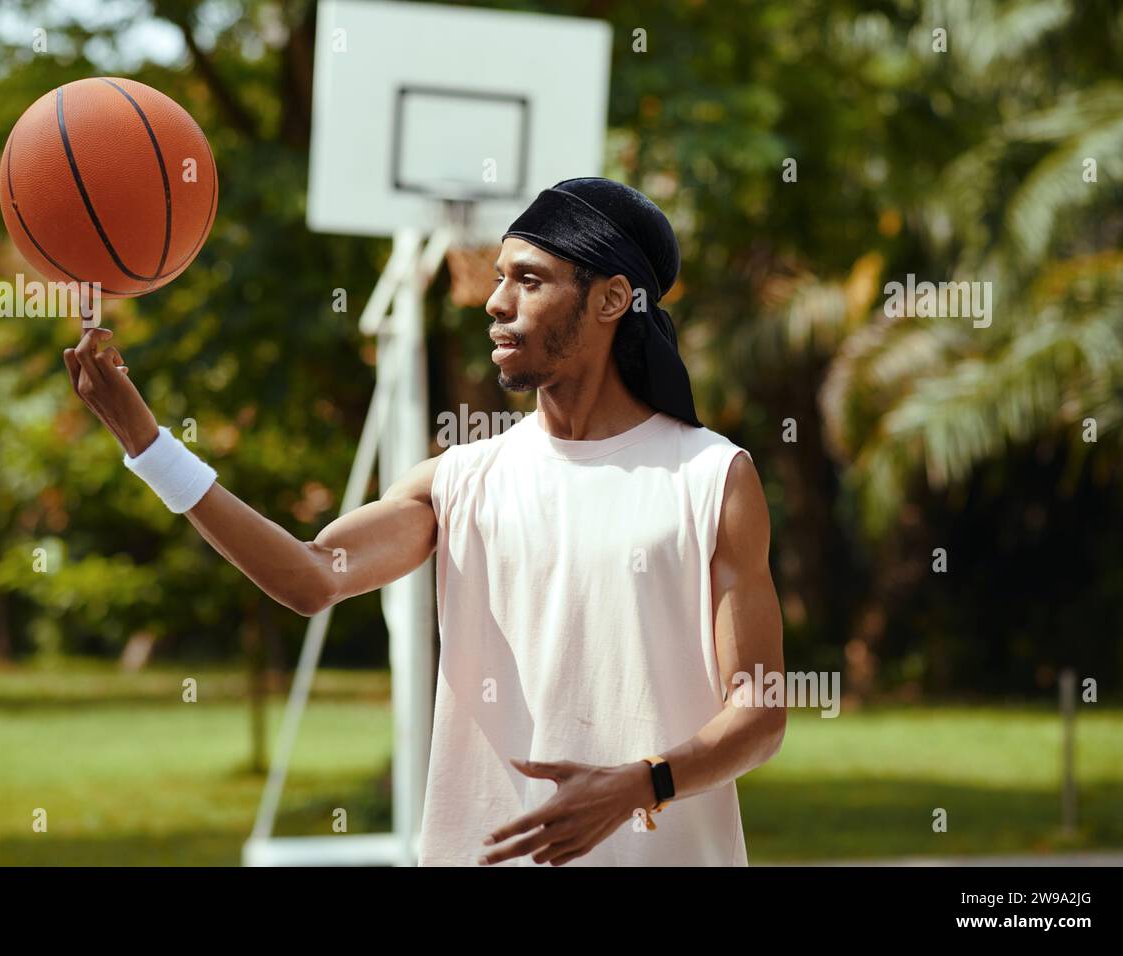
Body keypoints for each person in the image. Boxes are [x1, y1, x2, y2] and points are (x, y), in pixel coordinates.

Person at [64, 177, 785, 867]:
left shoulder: (710, 478)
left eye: (528, 280)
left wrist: (641, 784)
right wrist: (148, 447)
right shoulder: (461, 481)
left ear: (611, 300)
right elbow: (312, 577)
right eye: (499, 276)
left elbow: (760, 713)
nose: (495, 303)